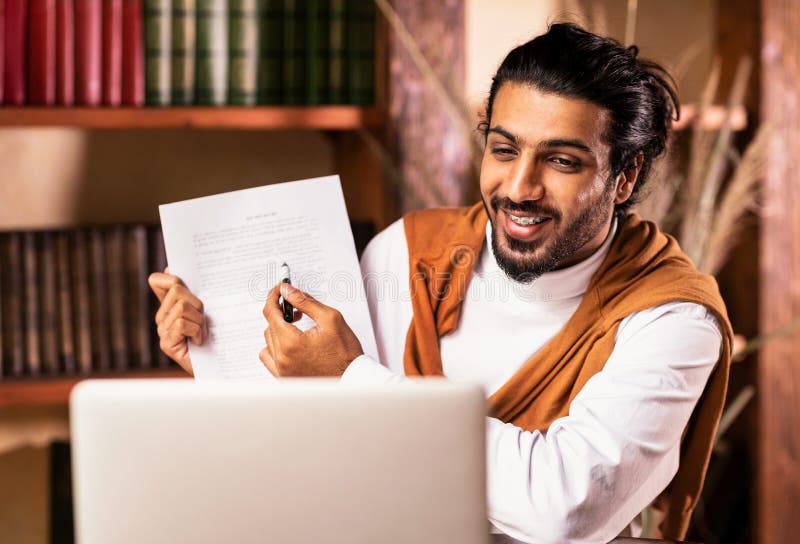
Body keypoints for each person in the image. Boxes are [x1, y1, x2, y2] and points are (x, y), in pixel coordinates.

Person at [149, 23, 732, 544]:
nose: (519, 188)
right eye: (504, 150)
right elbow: (323, 444)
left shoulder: (674, 318)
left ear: (623, 177)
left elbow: (565, 509)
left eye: (561, 161)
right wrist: (216, 361)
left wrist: (350, 376)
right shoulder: (408, 253)